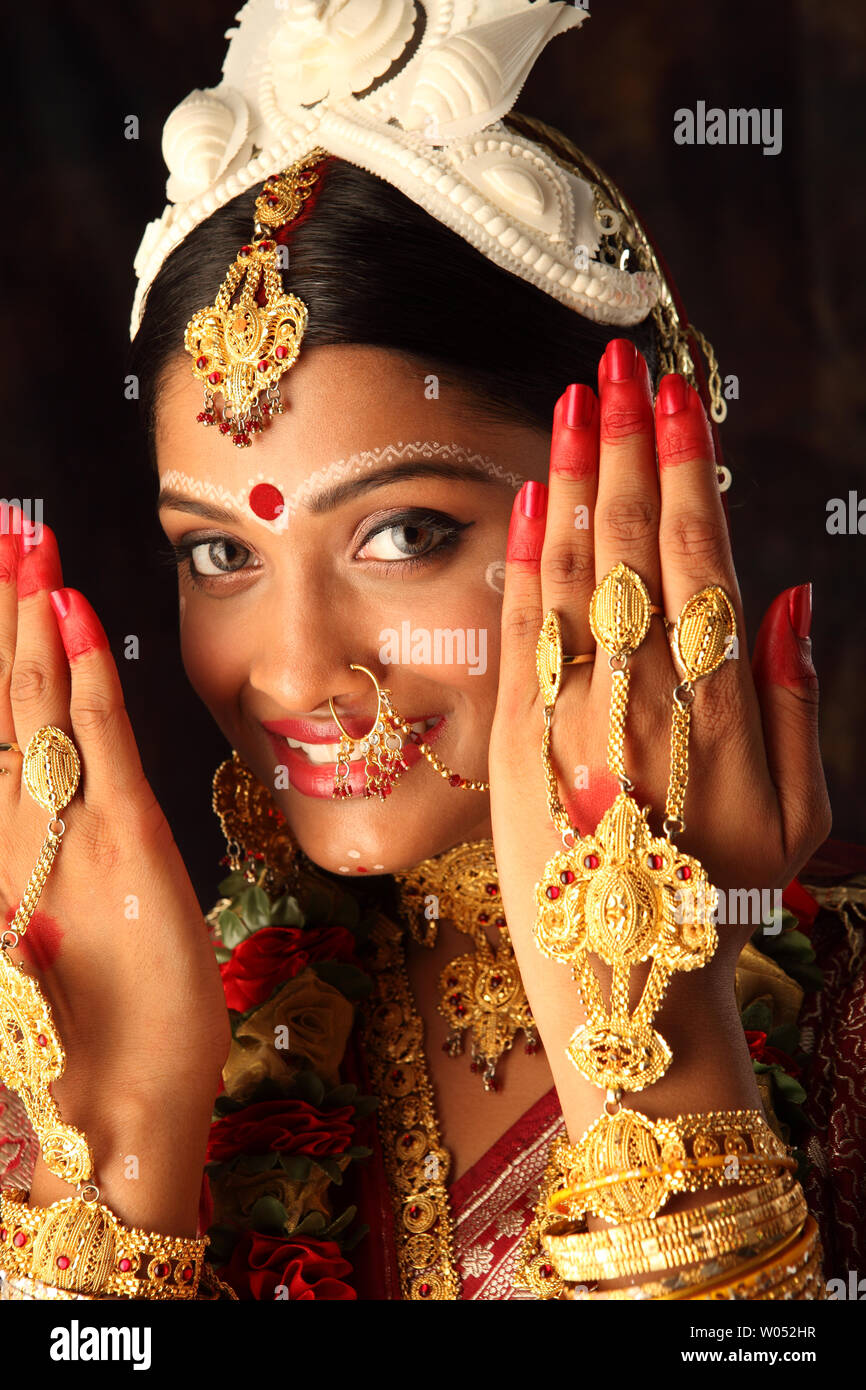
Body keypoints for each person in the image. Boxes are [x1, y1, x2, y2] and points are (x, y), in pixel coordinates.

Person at [0, 0, 859, 1302]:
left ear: (646, 507)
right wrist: (110, 1186)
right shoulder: (118, 1054)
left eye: (403, 530)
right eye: (219, 552)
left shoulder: (843, 1021)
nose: (289, 671)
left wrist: (662, 1054)